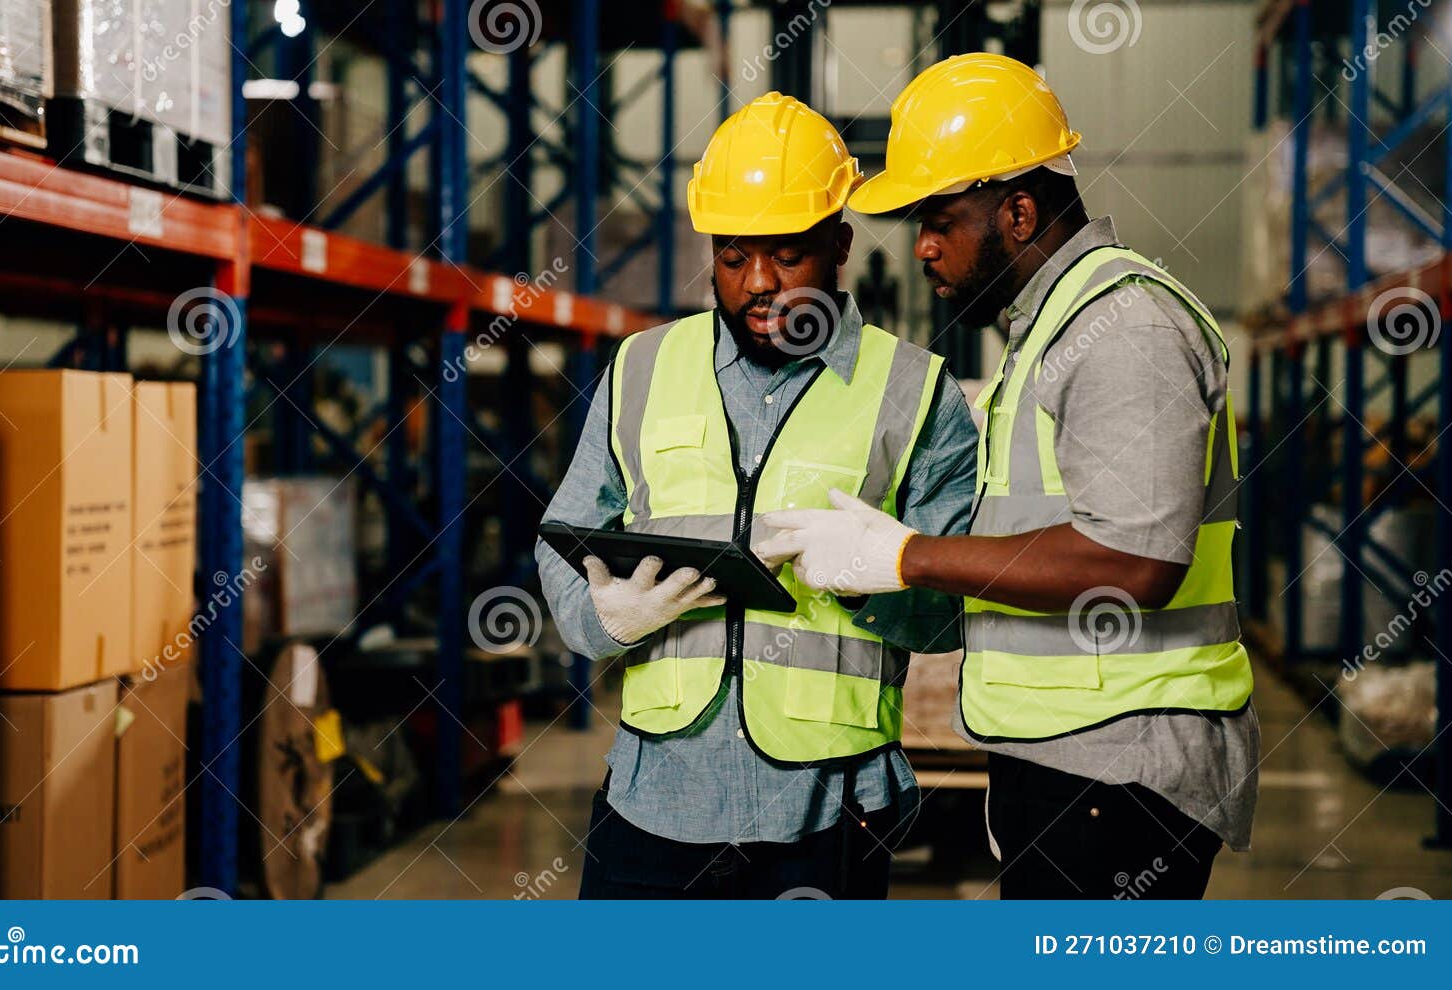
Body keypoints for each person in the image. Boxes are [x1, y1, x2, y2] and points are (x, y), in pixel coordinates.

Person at [755, 53, 1259, 900]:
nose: (920, 246)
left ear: (1019, 212)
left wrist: (907, 556)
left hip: (1121, 772)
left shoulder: (1123, 327)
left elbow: (1134, 562)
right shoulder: (1050, 332)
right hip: (1073, 759)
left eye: (939, 219)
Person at [535, 92, 978, 899]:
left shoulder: (917, 393)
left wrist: (880, 575)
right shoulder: (641, 367)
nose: (759, 284)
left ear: (839, 244)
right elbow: (563, 531)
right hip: (653, 800)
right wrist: (598, 620)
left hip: (826, 811)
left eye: (786, 255)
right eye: (735, 258)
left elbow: (951, 616)